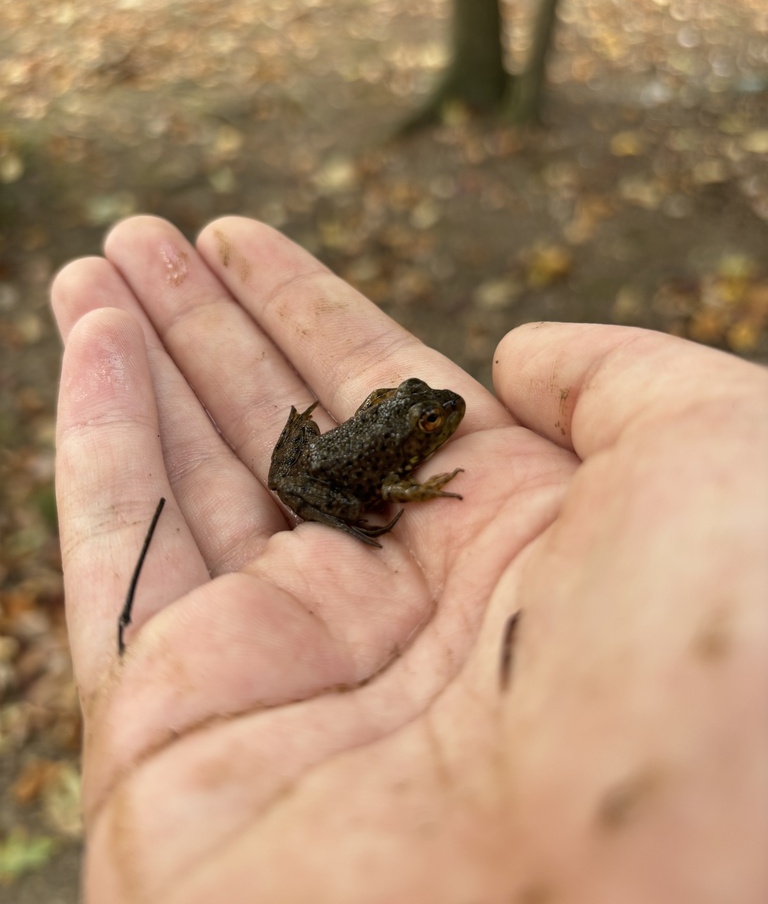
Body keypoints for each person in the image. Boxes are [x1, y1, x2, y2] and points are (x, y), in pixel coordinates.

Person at [51, 214, 767, 904]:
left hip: (329, 447)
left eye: (426, 414)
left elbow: (394, 429)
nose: (443, 418)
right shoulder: (396, 459)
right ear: (414, 432)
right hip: (333, 474)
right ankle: (343, 518)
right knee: (337, 499)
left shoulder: (401, 416)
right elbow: (390, 487)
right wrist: (414, 493)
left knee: (305, 460)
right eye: (430, 420)